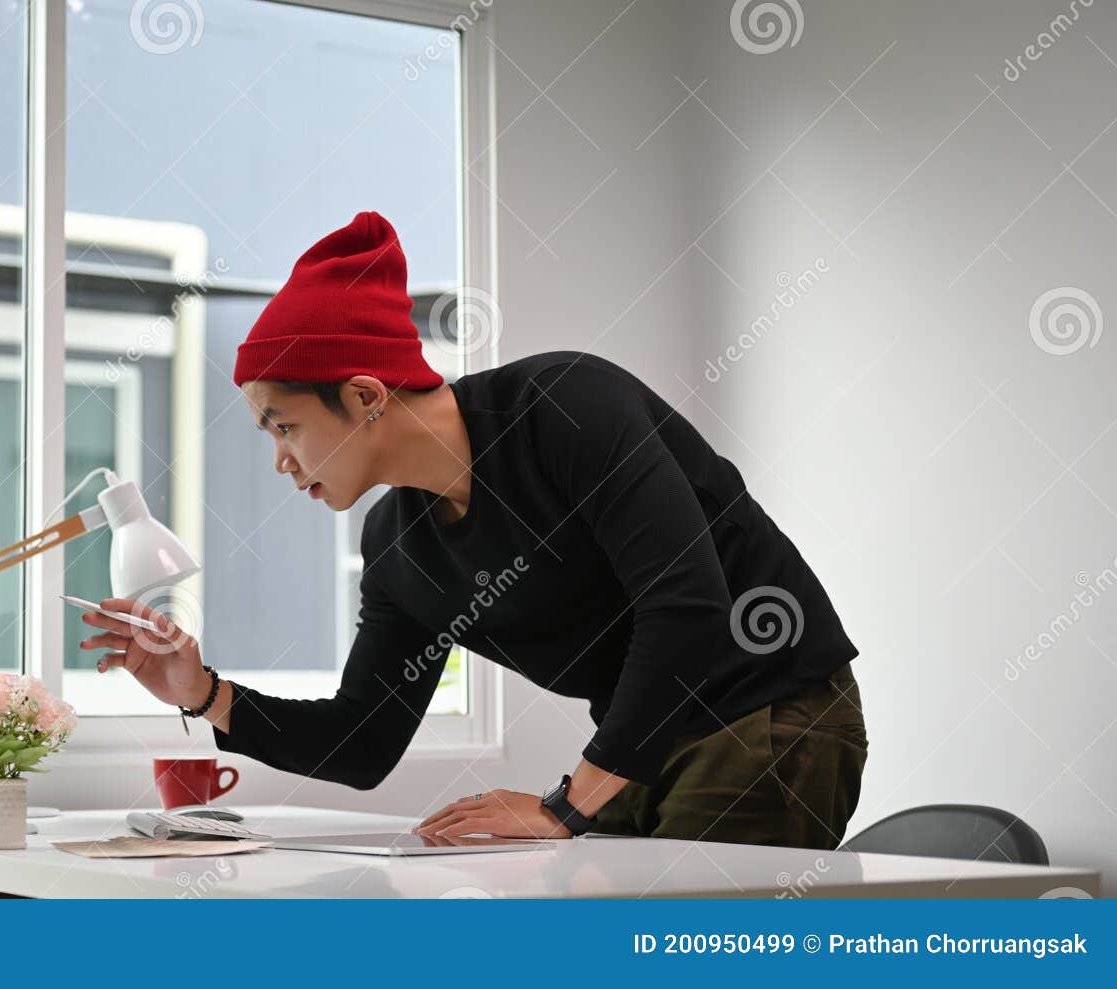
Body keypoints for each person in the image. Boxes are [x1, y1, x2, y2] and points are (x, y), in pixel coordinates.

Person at [79, 210, 868, 850]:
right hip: (647, 744)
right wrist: (205, 692)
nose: (280, 461)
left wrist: (565, 804)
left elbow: (686, 603)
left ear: (363, 396)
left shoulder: (566, 406)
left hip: (771, 706)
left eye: (282, 426)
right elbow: (363, 740)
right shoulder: (396, 545)